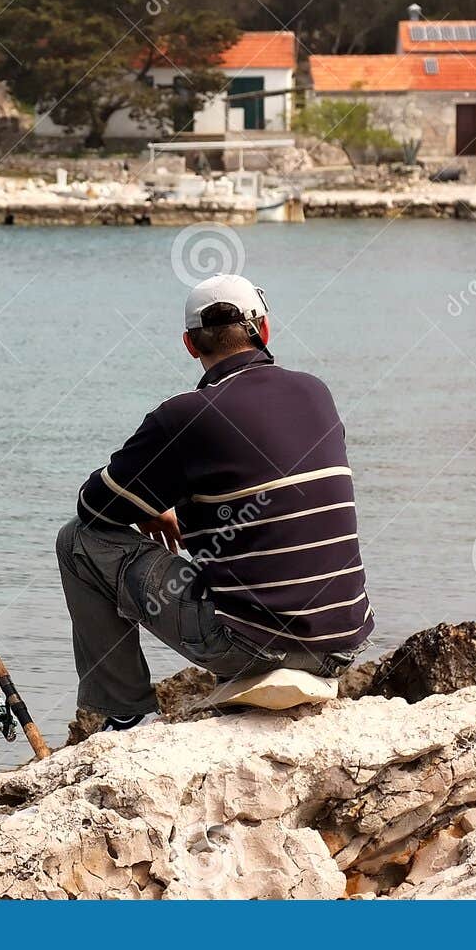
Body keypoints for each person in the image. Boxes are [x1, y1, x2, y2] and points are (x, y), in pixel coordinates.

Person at [56, 273, 374, 734]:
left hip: (253, 644)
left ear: (189, 345)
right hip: (342, 641)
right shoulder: (315, 392)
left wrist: (154, 504)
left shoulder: (184, 416)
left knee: (77, 543)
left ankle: (125, 713)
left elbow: (94, 509)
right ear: (263, 331)